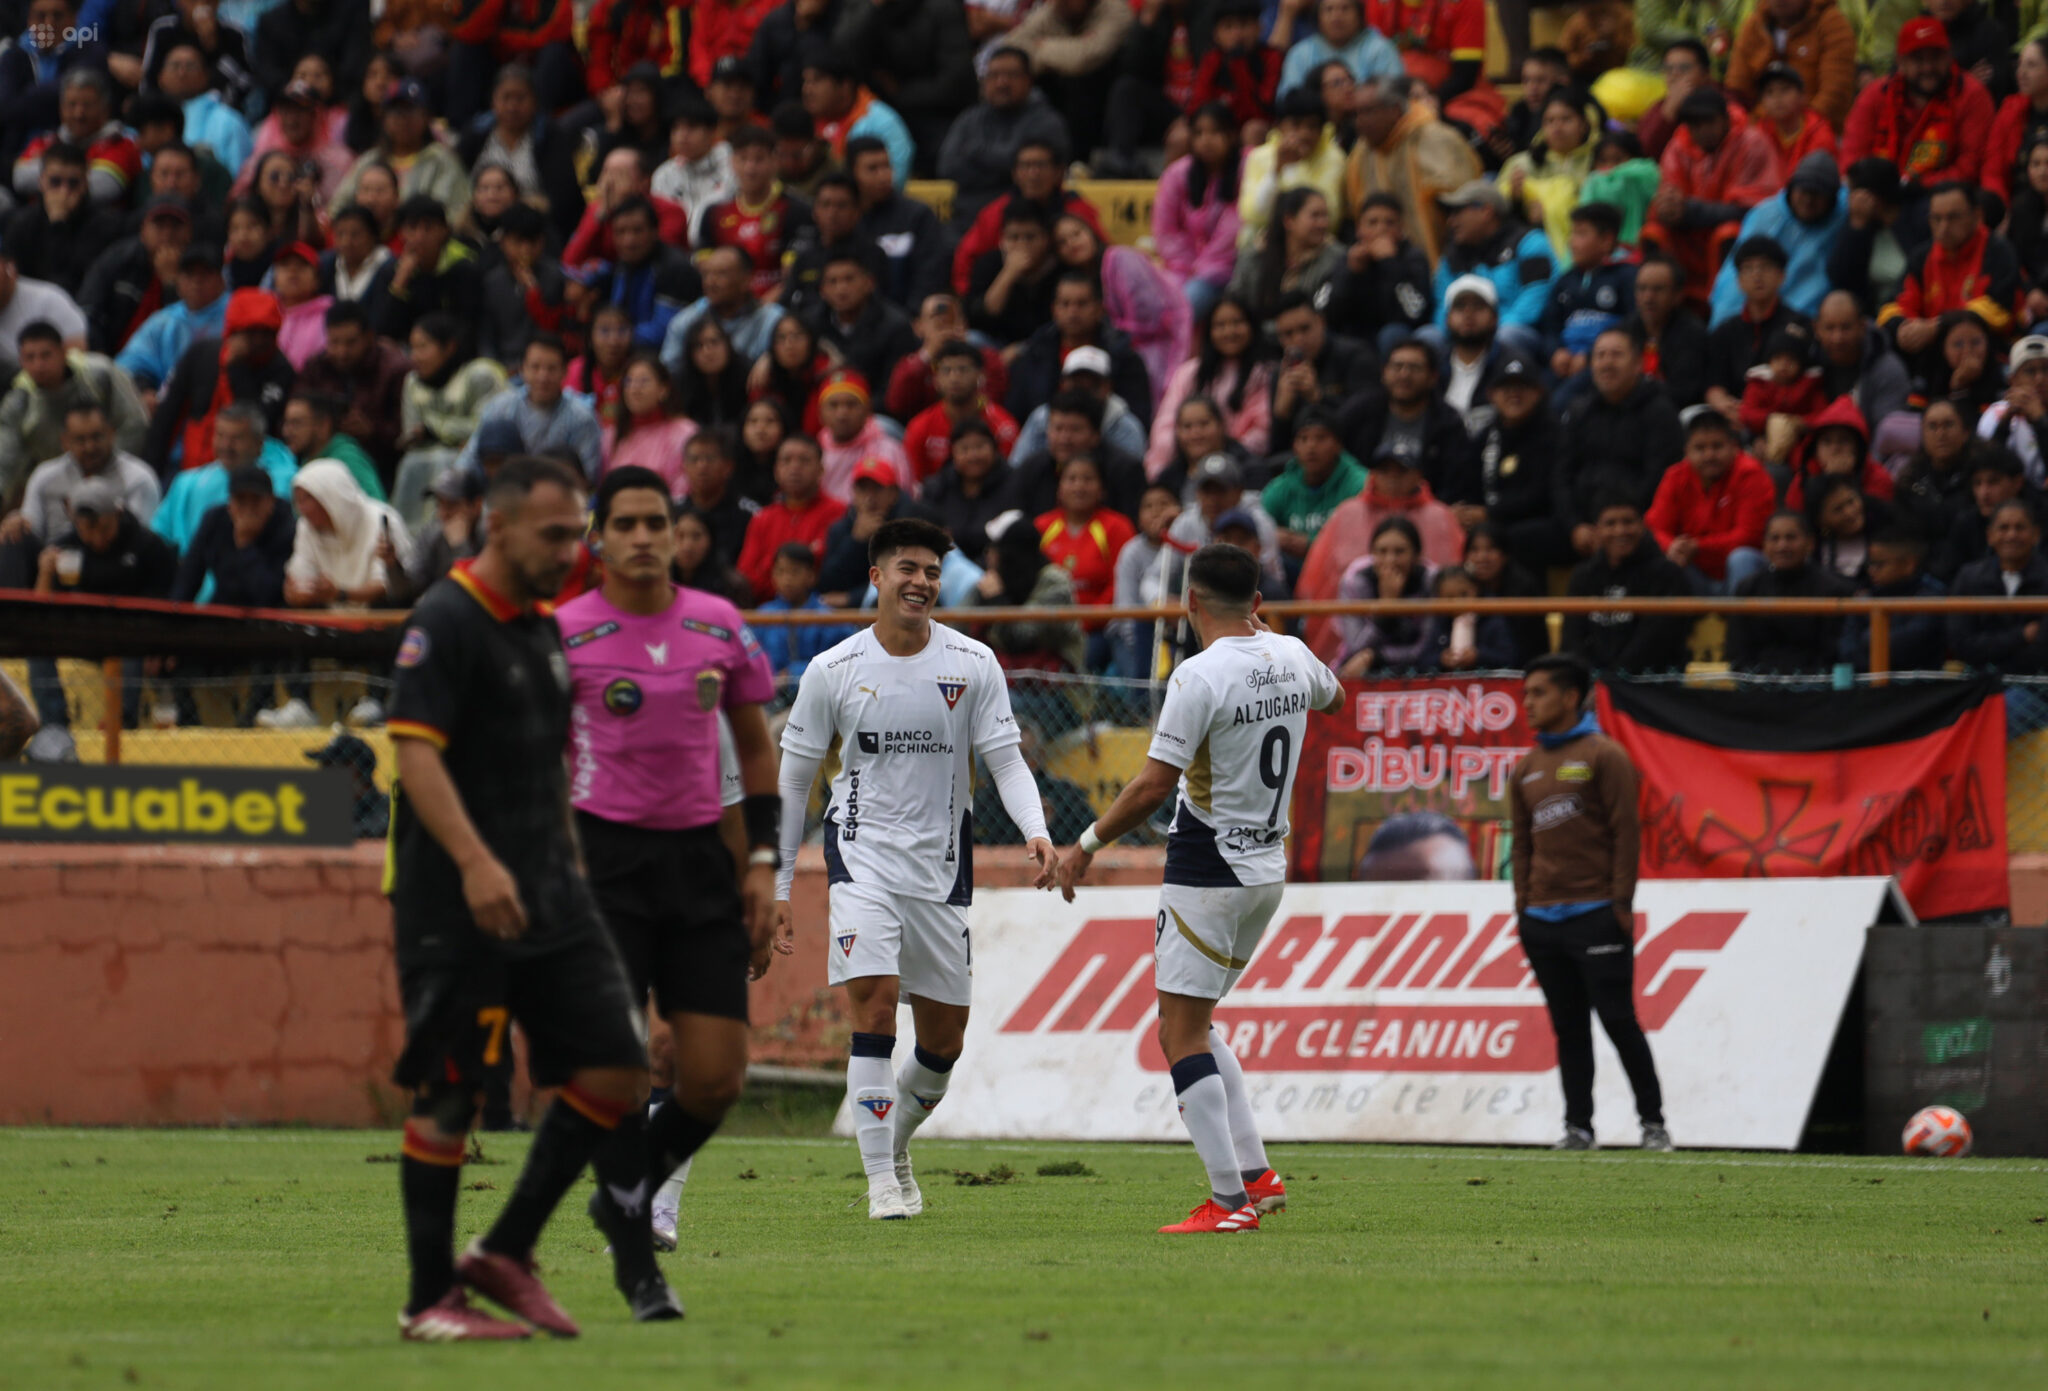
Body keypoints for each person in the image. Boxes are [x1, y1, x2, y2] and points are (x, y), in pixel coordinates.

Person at [382, 456, 675, 1340]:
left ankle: (506, 1249)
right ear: (498, 527)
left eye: (572, 529)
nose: (571, 548)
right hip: (453, 899)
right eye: (554, 533)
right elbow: (416, 753)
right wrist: (474, 862)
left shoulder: (545, 628)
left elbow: (550, 768)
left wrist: (569, 868)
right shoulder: (445, 619)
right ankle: (431, 1299)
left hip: (552, 892)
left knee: (619, 1064)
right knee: (452, 1093)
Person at [1054, 541, 1342, 1230]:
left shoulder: (1197, 675)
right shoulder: (1294, 653)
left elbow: (1154, 783)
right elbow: (1333, 693)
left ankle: (1229, 1202)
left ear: (1189, 602)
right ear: (1259, 603)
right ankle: (1256, 1172)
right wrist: (1271, 643)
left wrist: (1086, 844)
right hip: (1267, 871)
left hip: (1208, 867)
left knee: (1178, 1032)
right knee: (1199, 1023)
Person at [777, 516, 1054, 1218]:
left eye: (932, 571)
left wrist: (1038, 832)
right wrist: (780, 883)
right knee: (871, 1005)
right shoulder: (833, 671)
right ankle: (878, 1184)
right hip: (861, 857)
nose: (921, 581)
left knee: (943, 1043)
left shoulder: (973, 663)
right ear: (876, 577)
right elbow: (793, 781)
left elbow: (1005, 758)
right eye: (908, 568)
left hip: (941, 868)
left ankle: (895, 1141)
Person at [555, 466, 782, 1259]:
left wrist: (760, 870)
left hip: (697, 867)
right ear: (599, 537)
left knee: (713, 1074)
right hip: (603, 865)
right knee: (619, 1062)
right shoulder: (564, 632)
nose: (647, 536)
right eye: (628, 523)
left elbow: (751, 760)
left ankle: (634, 1188)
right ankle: (637, 1210)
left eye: (660, 522)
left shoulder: (717, 627)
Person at [1510, 652, 1670, 1152]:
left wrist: (1621, 904)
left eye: (1539, 693)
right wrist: (1523, 909)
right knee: (1568, 1029)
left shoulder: (1606, 755)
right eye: (1526, 694)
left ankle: (1653, 1125)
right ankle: (1578, 1127)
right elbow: (1522, 845)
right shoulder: (1526, 769)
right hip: (1541, 919)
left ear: (1570, 697)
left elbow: (1627, 834)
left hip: (1596, 912)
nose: (1529, 704)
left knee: (1619, 1019)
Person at [28, 476, 178, 732]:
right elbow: (39, 613)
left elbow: (169, 599)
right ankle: (54, 725)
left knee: (129, 648)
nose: (97, 538)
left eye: (104, 529)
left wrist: (160, 640)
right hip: (83, 633)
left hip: (131, 636)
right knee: (36, 646)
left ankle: (121, 724)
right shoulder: (65, 548)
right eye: (87, 530)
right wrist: (45, 574)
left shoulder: (146, 545)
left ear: (118, 513)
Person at [1641, 89, 1781, 307]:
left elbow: (1757, 210)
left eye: (1708, 122)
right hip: (1690, 237)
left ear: (1724, 119)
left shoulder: (1751, 142)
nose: (1702, 131)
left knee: (1728, 233)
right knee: (1654, 232)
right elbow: (1667, 196)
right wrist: (1667, 209)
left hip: (1732, 236)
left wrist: (1691, 211)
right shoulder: (1679, 146)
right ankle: (1663, 305)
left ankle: (1726, 304)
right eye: (1694, 125)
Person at [1442, 352, 1573, 569]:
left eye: (1522, 387)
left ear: (1539, 392)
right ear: (1491, 394)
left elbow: (1543, 494)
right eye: (1506, 388)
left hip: (1534, 524)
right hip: (1489, 522)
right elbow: (1464, 480)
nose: (1514, 394)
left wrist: (1490, 514)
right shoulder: (1486, 436)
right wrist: (1457, 511)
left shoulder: (1553, 434)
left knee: (1515, 538)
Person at [1881, 182, 2019, 378]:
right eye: (1936, 219)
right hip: (1932, 357)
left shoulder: (1998, 250)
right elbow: (1893, 306)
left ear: (1977, 216)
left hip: (1989, 357)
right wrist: (1903, 328)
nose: (1943, 227)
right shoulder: (1922, 256)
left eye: (1953, 218)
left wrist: (1937, 326)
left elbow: (1998, 312)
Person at [1842, 18, 1994, 194]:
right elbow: (1851, 158)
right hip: (1876, 196)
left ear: (1949, 56)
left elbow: (1970, 167)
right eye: (1918, 59)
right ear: (1900, 62)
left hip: (1941, 198)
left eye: (1936, 57)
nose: (1928, 67)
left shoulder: (1972, 95)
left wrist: (1913, 188)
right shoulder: (1874, 95)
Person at [1344, 83, 1482, 267]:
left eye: (1367, 112)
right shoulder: (1361, 153)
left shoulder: (1436, 138)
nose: (1360, 122)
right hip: (1382, 265)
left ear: (1395, 110)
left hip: (1447, 261)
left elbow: (1466, 208)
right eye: (1355, 114)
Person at [1645, 409, 1774, 594]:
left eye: (1717, 446)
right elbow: (1656, 528)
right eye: (1700, 448)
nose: (1709, 455)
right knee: (1666, 559)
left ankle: (1739, 622)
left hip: (1741, 573)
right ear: (1686, 451)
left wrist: (1698, 547)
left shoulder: (1751, 474)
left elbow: (1749, 536)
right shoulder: (1675, 476)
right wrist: (1673, 547)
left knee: (1742, 558)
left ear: (1734, 446)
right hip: (1694, 572)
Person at [393, 316, 509, 522]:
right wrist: (444, 435)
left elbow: (486, 428)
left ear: (449, 347)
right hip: (427, 460)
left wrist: (433, 429)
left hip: (477, 462)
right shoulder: (412, 382)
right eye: (412, 348)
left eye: (423, 347)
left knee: (447, 460)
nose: (415, 356)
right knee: (411, 464)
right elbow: (412, 434)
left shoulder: (480, 375)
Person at [1561, 493, 1694, 672]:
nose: (1620, 531)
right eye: (1610, 523)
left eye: (1628, 522)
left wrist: (1614, 679)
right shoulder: (1583, 576)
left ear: (1642, 526)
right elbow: (1572, 638)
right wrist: (1588, 678)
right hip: (1593, 683)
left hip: (1649, 685)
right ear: (1597, 530)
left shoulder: (1667, 574)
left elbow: (1657, 641)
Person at [1428, 180, 1552, 359]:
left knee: (1506, 337)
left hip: (1520, 332)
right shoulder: (1451, 257)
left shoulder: (1530, 243)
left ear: (1486, 211)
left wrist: (1487, 329)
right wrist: (1457, 331)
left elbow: (1536, 296)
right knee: (1428, 338)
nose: (1450, 221)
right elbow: (1442, 305)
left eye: (1457, 212)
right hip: (1462, 333)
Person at [454, 337, 602, 482]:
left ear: (565, 371)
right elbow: (470, 458)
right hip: (503, 489)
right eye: (535, 367)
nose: (543, 377)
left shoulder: (582, 416)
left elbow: (587, 474)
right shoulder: (501, 406)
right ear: (522, 369)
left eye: (551, 368)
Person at [1726, 510, 1854, 673]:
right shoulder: (1748, 588)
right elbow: (1737, 650)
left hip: (1815, 688)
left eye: (1791, 537)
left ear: (1810, 543)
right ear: (1764, 545)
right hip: (1759, 688)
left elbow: (1832, 654)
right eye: (1774, 538)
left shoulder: (1833, 589)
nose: (1782, 546)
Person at [1153, 104, 1246, 320]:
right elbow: (1165, 230)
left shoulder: (1246, 169)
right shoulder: (1177, 174)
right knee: (1155, 304)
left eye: (1215, 132)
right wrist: (1186, 266)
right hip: (1181, 266)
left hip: (1225, 268)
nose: (1206, 140)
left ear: (1232, 136)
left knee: (1187, 304)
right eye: (1199, 133)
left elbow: (1233, 231)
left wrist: (1201, 269)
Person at [1704, 237, 1809, 421]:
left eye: (1766, 267)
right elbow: (1714, 382)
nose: (1757, 275)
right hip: (1734, 415)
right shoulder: (1725, 330)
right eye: (1748, 268)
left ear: (1782, 277)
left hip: (1782, 415)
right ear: (1738, 281)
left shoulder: (1799, 326)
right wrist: (1723, 404)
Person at [735, 433, 848, 602]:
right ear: (776, 470)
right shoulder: (763, 518)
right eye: (786, 460)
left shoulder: (840, 512)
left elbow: (834, 571)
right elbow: (747, 575)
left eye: (804, 460)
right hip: (766, 612)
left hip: (821, 612)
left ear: (821, 469)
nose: (795, 467)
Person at [1261, 405, 1366, 583]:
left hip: (1342, 575)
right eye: (1303, 439)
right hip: (1292, 576)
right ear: (1294, 446)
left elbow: (1360, 540)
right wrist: (1271, 536)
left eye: (1321, 438)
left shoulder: (1359, 483)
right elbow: (1256, 527)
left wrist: (1311, 545)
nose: (1311, 446)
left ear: (1338, 445)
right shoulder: (1282, 486)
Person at [975, 507, 1087, 670]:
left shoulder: (1053, 582)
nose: (988, 555)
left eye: (994, 548)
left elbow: (1020, 639)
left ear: (1010, 553)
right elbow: (960, 631)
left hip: (1056, 684)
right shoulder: (999, 579)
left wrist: (998, 600)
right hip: (1005, 676)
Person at [1323, 191, 1434, 351]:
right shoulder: (1347, 258)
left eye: (1390, 223)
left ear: (1401, 228)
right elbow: (1324, 313)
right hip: (1353, 339)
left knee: (1391, 334)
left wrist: (1389, 263)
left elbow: (1415, 312)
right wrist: (1349, 273)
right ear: (1359, 229)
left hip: (1396, 339)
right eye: (1372, 222)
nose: (1381, 229)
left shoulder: (1413, 258)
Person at [1948, 499, 2048, 673]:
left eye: (2020, 528)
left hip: (2035, 686)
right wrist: (2022, 635)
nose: (2011, 535)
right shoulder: (1969, 577)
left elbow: (2042, 647)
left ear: (2036, 534)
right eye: (2003, 528)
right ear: (1990, 536)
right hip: (1978, 680)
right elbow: (1961, 643)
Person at [1724, 0, 1857, 129]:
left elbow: (1835, 95)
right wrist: (1757, 129)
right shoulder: (1754, 25)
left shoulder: (1832, 23)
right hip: (1761, 131)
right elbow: (1736, 93)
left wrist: (1800, 130)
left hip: (1819, 132)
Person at [902, 341, 1020, 484]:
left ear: (980, 376)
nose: (954, 377)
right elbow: (915, 485)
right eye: (946, 370)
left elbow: (1012, 482)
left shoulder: (1003, 426)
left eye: (963, 369)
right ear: (936, 379)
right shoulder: (919, 428)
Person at [1334, 514, 1436, 676]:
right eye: (1382, 551)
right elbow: (1356, 647)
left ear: (1416, 555)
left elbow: (1426, 647)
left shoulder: (1430, 580)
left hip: (1418, 667)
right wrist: (1385, 608)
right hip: (1361, 664)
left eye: (1399, 552)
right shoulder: (1355, 580)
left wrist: (1376, 656)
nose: (1390, 560)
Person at [755, 541, 856, 681]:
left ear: (811, 576)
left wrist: (792, 674)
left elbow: (842, 662)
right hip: (769, 694)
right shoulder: (761, 616)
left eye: (794, 572)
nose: (787, 579)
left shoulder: (830, 620)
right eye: (780, 571)